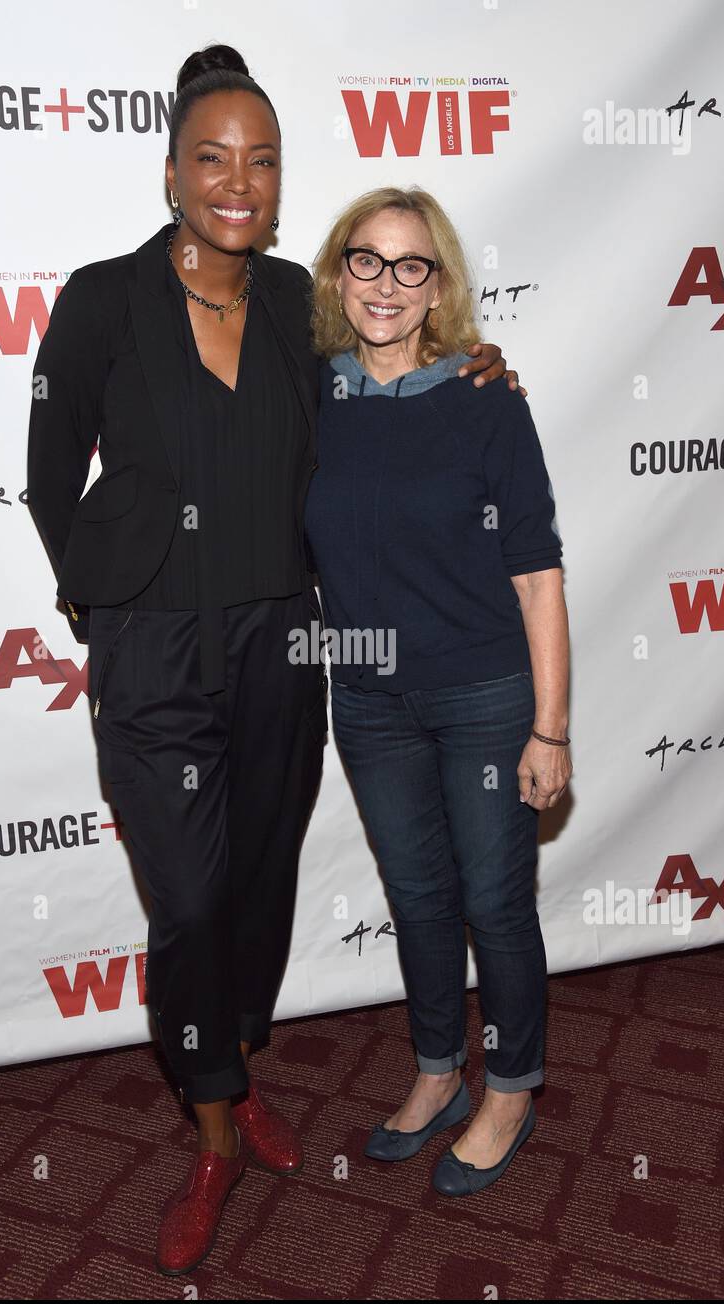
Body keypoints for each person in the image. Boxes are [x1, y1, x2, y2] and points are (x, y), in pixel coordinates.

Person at [26, 47, 513, 1271]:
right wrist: (108, 603)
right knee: (185, 896)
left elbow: (387, 385)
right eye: (212, 158)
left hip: (284, 639)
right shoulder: (98, 300)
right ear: (174, 173)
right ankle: (210, 1126)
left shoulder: (302, 304)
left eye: (261, 161)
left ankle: (233, 1067)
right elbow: (46, 475)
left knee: (256, 877)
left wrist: (474, 375)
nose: (237, 181)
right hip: (152, 644)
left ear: (280, 182)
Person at [305, 186, 572, 1196]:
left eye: (411, 265)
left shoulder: (485, 397)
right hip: (368, 702)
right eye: (367, 260)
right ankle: (435, 1071)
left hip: (483, 694)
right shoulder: (309, 393)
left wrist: (550, 729)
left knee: (494, 902)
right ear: (339, 273)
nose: (386, 283)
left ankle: (508, 1084)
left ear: (438, 286)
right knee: (416, 898)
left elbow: (537, 573)